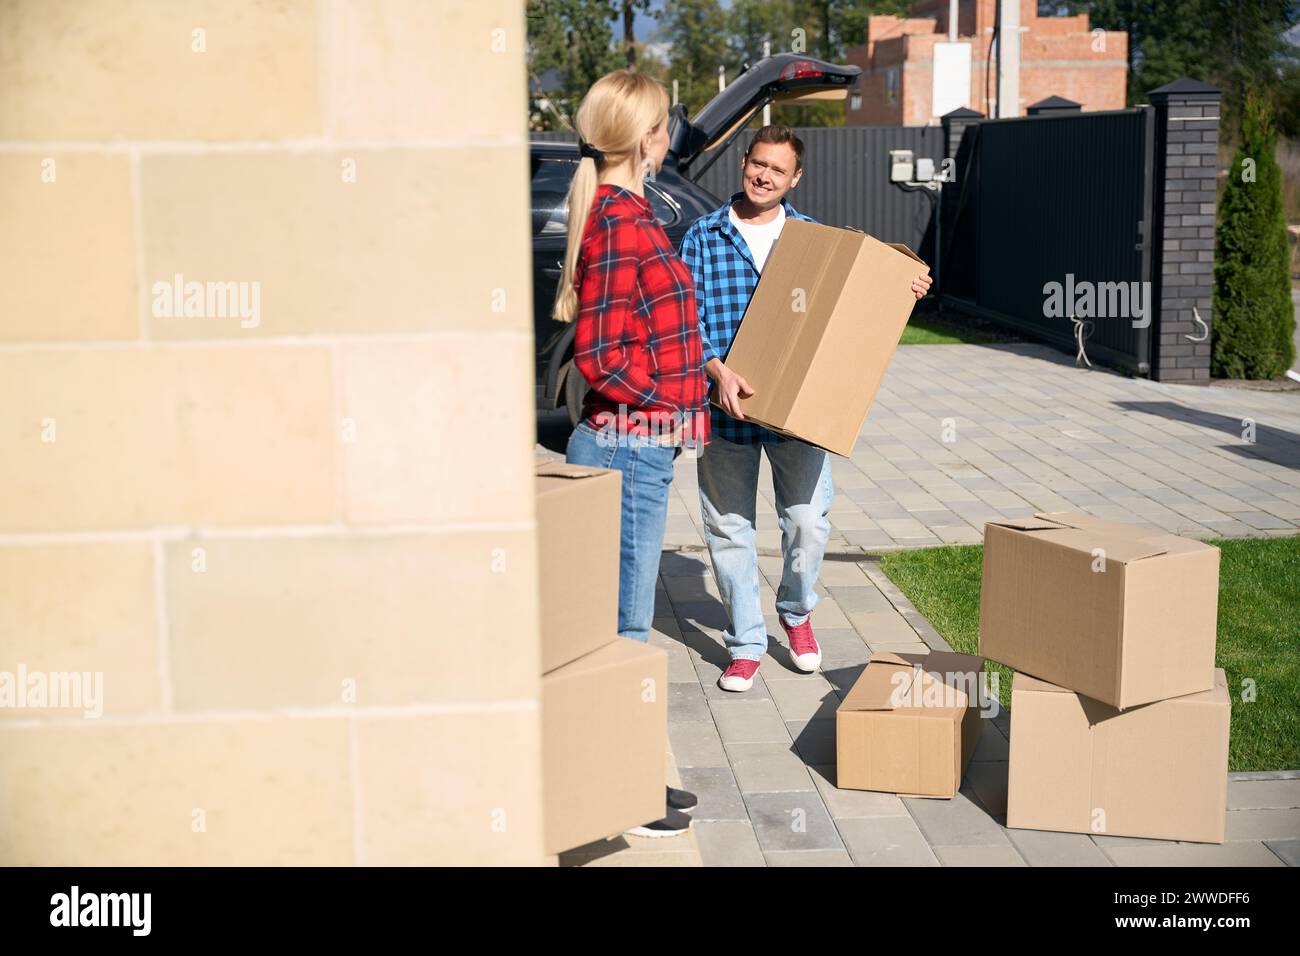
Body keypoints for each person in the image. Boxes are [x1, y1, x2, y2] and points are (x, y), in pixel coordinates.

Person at [679, 125, 932, 693]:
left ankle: (796, 612)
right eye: (757, 164)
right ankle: (745, 642)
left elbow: (860, 305)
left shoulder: (814, 240)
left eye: (777, 169)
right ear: (744, 163)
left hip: (800, 415)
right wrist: (716, 370)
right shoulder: (702, 236)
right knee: (728, 528)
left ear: (796, 178)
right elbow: (683, 321)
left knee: (807, 522)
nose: (763, 176)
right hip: (724, 409)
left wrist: (903, 285)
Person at [555, 69, 708, 836]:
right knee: (622, 632)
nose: (671, 136)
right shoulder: (620, 221)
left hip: (637, 449)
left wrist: (709, 373)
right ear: (648, 136)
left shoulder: (630, 212)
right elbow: (602, 358)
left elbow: (654, 329)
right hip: (626, 449)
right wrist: (675, 404)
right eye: (667, 125)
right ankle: (619, 798)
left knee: (625, 625)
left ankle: (632, 773)